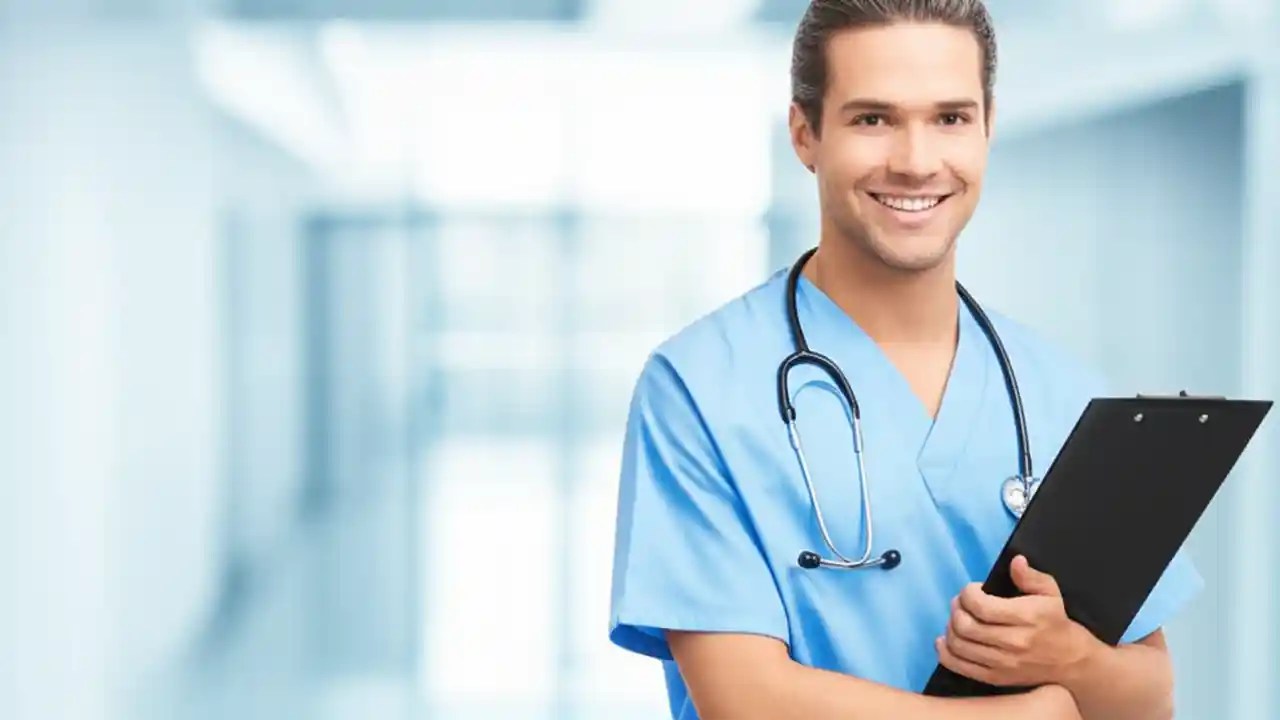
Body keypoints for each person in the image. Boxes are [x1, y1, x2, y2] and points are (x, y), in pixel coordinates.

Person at [605, 1, 1204, 719]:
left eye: (950, 118)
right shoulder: (701, 386)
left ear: (987, 127)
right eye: (873, 119)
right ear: (805, 134)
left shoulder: (1059, 392)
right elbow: (744, 699)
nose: (917, 162)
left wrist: (1070, 659)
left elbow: (1150, 697)